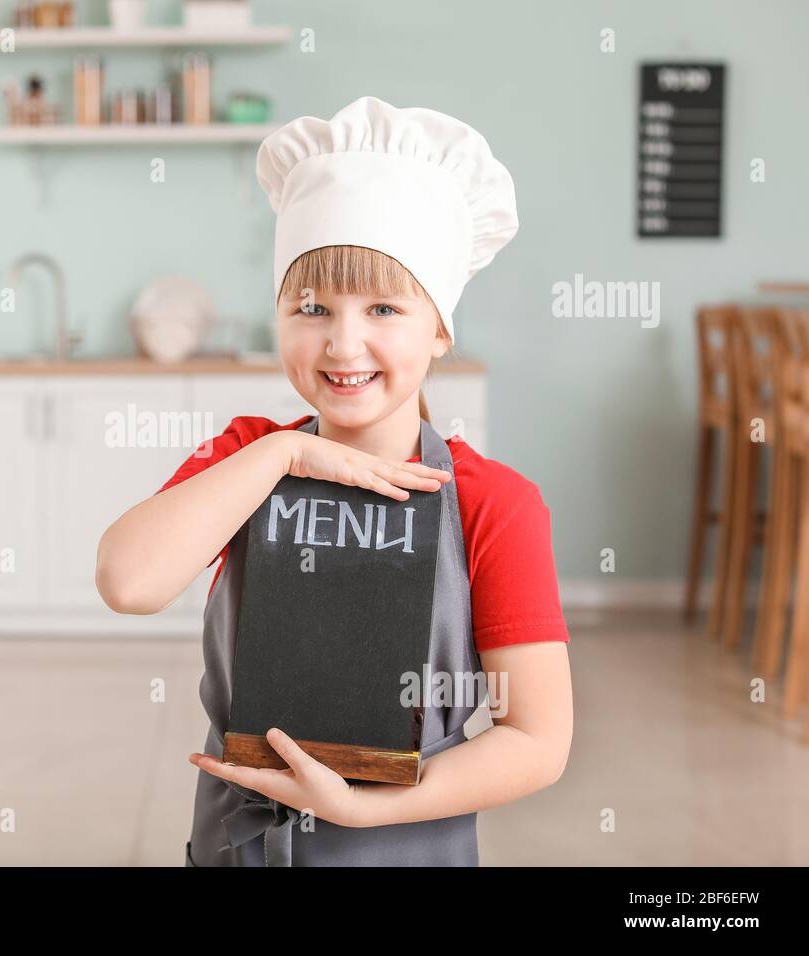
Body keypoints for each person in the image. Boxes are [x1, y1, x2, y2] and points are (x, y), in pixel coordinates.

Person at [96, 96, 573, 866]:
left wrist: (363, 807)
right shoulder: (246, 456)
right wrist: (284, 458)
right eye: (310, 307)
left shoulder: (494, 503)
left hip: (409, 843)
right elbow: (128, 581)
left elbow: (537, 740)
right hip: (238, 842)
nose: (343, 342)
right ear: (278, 316)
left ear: (441, 328)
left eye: (384, 307)